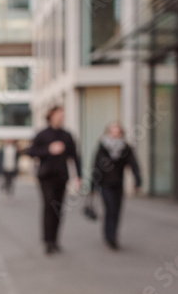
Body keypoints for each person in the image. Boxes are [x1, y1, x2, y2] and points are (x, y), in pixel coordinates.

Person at [25, 106, 82, 254]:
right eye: (59, 114)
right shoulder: (42, 134)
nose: (61, 116)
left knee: (58, 209)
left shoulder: (67, 135)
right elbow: (30, 151)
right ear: (51, 115)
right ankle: (47, 241)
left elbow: (75, 156)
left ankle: (55, 240)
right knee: (49, 206)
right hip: (46, 177)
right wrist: (49, 150)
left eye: (63, 114)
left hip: (61, 177)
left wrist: (79, 176)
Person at [90, 122, 141, 250]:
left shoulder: (125, 148)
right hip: (105, 184)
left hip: (118, 184)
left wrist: (138, 180)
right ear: (108, 132)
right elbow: (96, 167)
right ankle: (109, 236)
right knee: (110, 208)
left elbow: (133, 164)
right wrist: (93, 186)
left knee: (117, 211)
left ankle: (113, 235)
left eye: (117, 131)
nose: (115, 134)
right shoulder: (102, 147)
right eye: (113, 131)